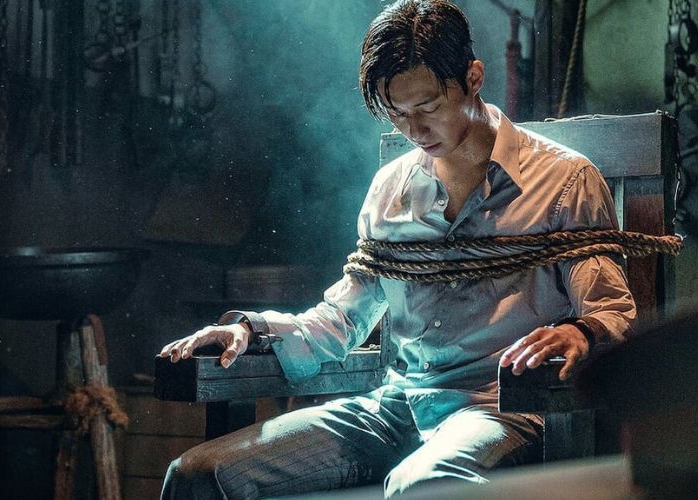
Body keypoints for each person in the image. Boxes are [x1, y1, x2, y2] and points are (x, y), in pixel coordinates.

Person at [158, 0, 636, 498]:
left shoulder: (563, 181)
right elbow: (342, 320)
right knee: (199, 475)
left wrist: (578, 331)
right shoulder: (392, 189)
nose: (414, 130)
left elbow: (611, 311)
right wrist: (250, 329)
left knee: (422, 486)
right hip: (397, 407)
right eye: (396, 114)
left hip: (497, 409)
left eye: (428, 108)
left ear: (473, 78)